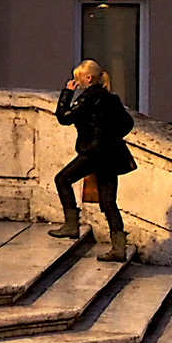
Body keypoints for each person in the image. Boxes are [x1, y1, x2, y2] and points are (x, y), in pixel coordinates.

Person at [49, 60, 136, 260]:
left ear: (88, 78)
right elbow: (127, 123)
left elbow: (64, 117)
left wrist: (67, 93)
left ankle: (71, 225)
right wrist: (110, 137)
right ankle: (119, 248)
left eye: (78, 79)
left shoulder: (89, 98)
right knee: (108, 202)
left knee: (62, 179)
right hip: (111, 153)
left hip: (94, 152)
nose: (76, 83)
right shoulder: (110, 98)